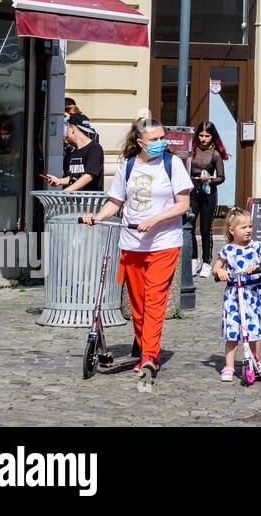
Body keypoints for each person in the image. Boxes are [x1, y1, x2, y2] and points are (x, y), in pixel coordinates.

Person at [79, 118, 191, 386]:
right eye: (154, 140)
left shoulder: (172, 164)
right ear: (141, 142)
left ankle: (150, 355)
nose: (161, 143)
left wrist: (156, 219)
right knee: (138, 304)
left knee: (154, 299)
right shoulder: (127, 166)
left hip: (164, 242)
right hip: (131, 243)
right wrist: (97, 216)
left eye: (163, 138)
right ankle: (143, 347)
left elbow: (183, 204)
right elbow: (116, 201)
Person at [212, 207, 261, 382]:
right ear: (231, 230)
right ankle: (229, 366)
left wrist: (257, 268)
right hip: (234, 295)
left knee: (253, 331)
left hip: (253, 294)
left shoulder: (257, 247)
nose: (248, 230)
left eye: (250, 226)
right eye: (243, 227)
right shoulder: (227, 250)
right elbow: (216, 268)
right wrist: (220, 273)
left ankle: (255, 360)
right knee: (233, 331)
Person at [188, 121, 227, 279]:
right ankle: (193, 259)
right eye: (201, 135)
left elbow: (222, 177)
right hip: (192, 191)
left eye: (207, 136)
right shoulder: (192, 150)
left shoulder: (215, 154)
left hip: (208, 192)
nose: (204, 139)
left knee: (205, 229)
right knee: (189, 226)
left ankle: (206, 262)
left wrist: (211, 180)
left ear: (212, 136)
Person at [41, 112, 104, 192]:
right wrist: (59, 181)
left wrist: (66, 192)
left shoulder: (95, 148)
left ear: (72, 129)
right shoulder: (72, 151)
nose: (65, 132)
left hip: (89, 202)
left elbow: (88, 176)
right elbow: (73, 178)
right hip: (72, 203)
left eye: (67, 127)